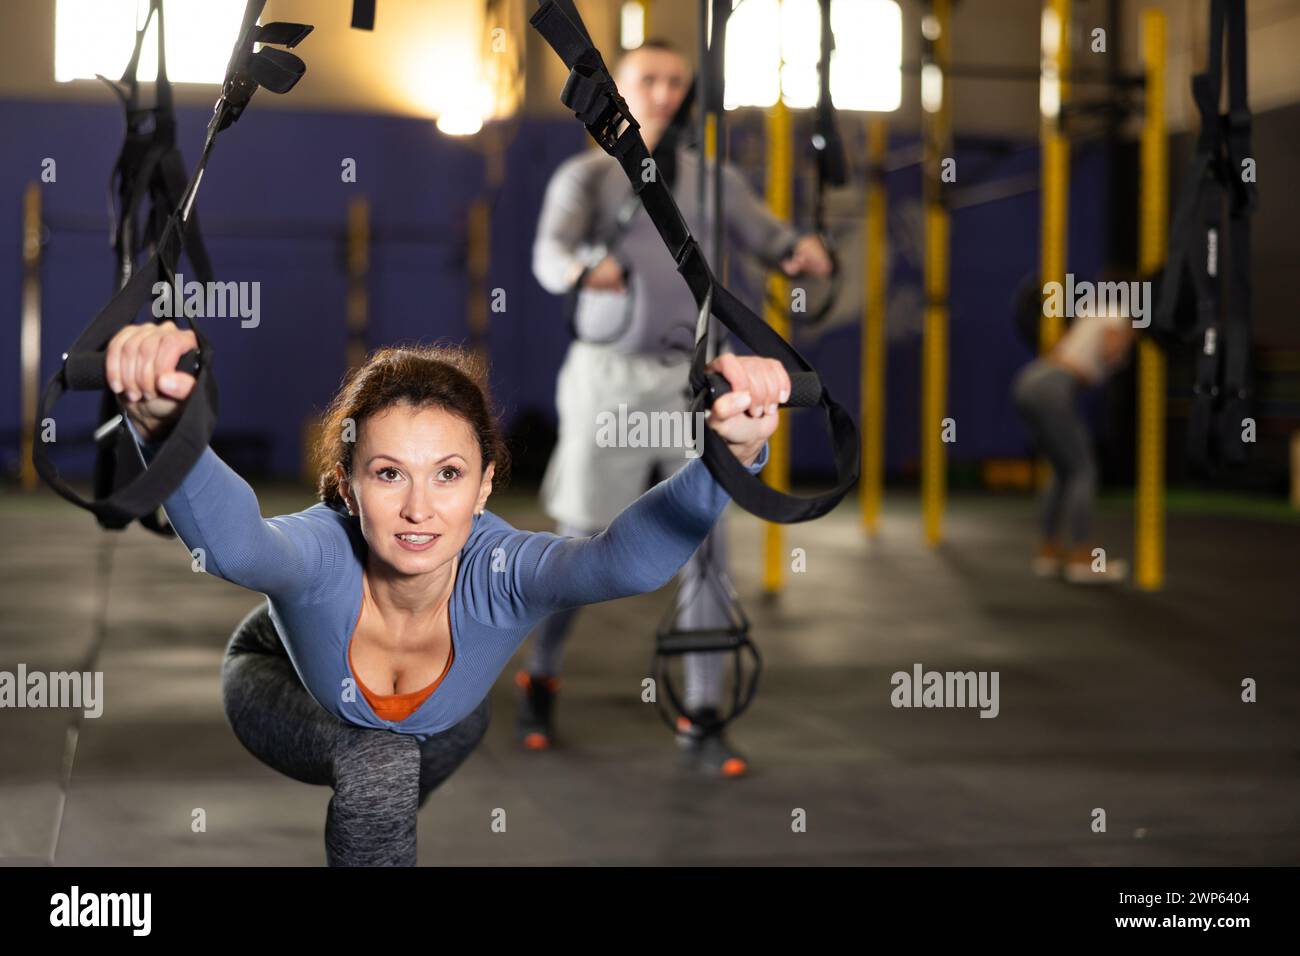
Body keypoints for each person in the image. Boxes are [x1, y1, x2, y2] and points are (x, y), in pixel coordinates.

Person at [108, 318, 788, 866]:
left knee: (389, 774)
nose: (418, 509)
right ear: (347, 486)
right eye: (388, 474)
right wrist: (168, 427)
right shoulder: (322, 553)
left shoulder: (503, 571)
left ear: (486, 485)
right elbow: (236, 545)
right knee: (378, 765)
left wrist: (728, 455)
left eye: (448, 474)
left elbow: (622, 563)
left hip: (449, 728)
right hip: (273, 674)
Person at [527, 37, 832, 775]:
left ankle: (702, 713)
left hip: (688, 383)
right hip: (607, 381)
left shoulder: (715, 181)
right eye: (648, 81)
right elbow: (547, 257)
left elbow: (771, 237)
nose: (663, 93)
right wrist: (581, 268)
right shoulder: (586, 178)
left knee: (705, 547)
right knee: (577, 540)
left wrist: (801, 251)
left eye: (673, 82)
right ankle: (541, 676)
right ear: (620, 90)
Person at [1012, 301, 1138, 584]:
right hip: (1053, 387)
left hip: (1030, 380)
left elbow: (1062, 351)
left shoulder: (1094, 315)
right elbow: (1109, 350)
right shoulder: (1118, 318)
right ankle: (1082, 558)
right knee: (1084, 470)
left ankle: (1048, 553)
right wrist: (1127, 342)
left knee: (1062, 469)